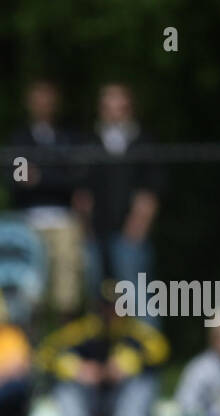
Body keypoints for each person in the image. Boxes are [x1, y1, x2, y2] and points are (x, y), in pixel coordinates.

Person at [36, 288, 169, 416]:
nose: (111, 311)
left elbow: (161, 351)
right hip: (89, 398)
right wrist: (77, 368)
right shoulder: (83, 330)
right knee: (64, 385)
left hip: (121, 399)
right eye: (106, 306)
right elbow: (44, 354)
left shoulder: (135, 331)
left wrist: (128, 363)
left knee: (144, 382)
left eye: (118, 306)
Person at [74, 83, 162, 312]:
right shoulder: (89, 143)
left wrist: (136, 230)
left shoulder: (143, 142)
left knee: (138, 297)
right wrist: (86, 230)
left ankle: (146, 346)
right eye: (107, 106)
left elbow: (150, 191)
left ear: (130, 108)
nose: (113, 111)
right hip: (95, 234)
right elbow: (81, 193)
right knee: (97, 298)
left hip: (130, 235)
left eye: (119, 106)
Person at [8, 79, 86, 317]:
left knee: (66, 287)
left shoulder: (69, 138)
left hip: (64, 219)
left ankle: (64, 344)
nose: (43, 104)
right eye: (38, 98)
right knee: (32, 288)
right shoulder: (19, 138)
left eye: (48, 98)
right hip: (29, 219)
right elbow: (18, 177)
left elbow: (76, 178)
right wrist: (54, 175)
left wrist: (41, 176)